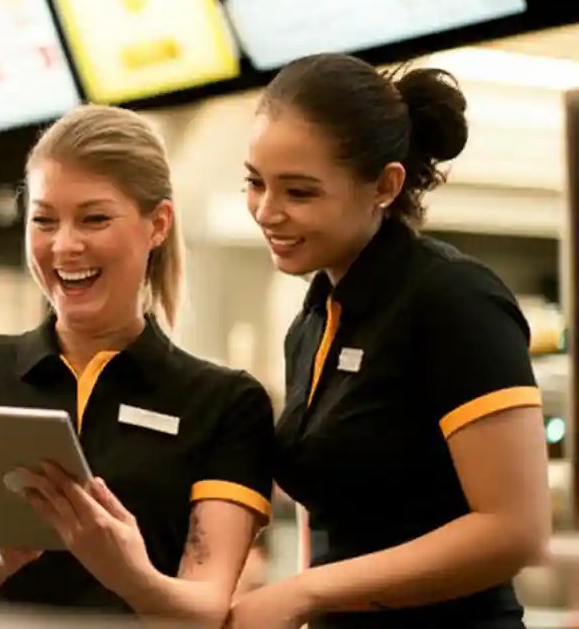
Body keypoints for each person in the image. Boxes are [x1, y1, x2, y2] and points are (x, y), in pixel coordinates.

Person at [0, 104, 275, 626]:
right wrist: (4, 552)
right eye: (44, 220)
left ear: (158, 224)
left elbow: (204, 611)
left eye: (94, 218)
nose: (65, 246)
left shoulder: (226, 404)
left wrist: (126, 571)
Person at [229, 53, 549, 628]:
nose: (265, 211)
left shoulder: (452, 299)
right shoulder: (314, 320)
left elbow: (514, 529)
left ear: (384, 185)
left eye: (299, 193)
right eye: (255, 183)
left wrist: (305, 593)